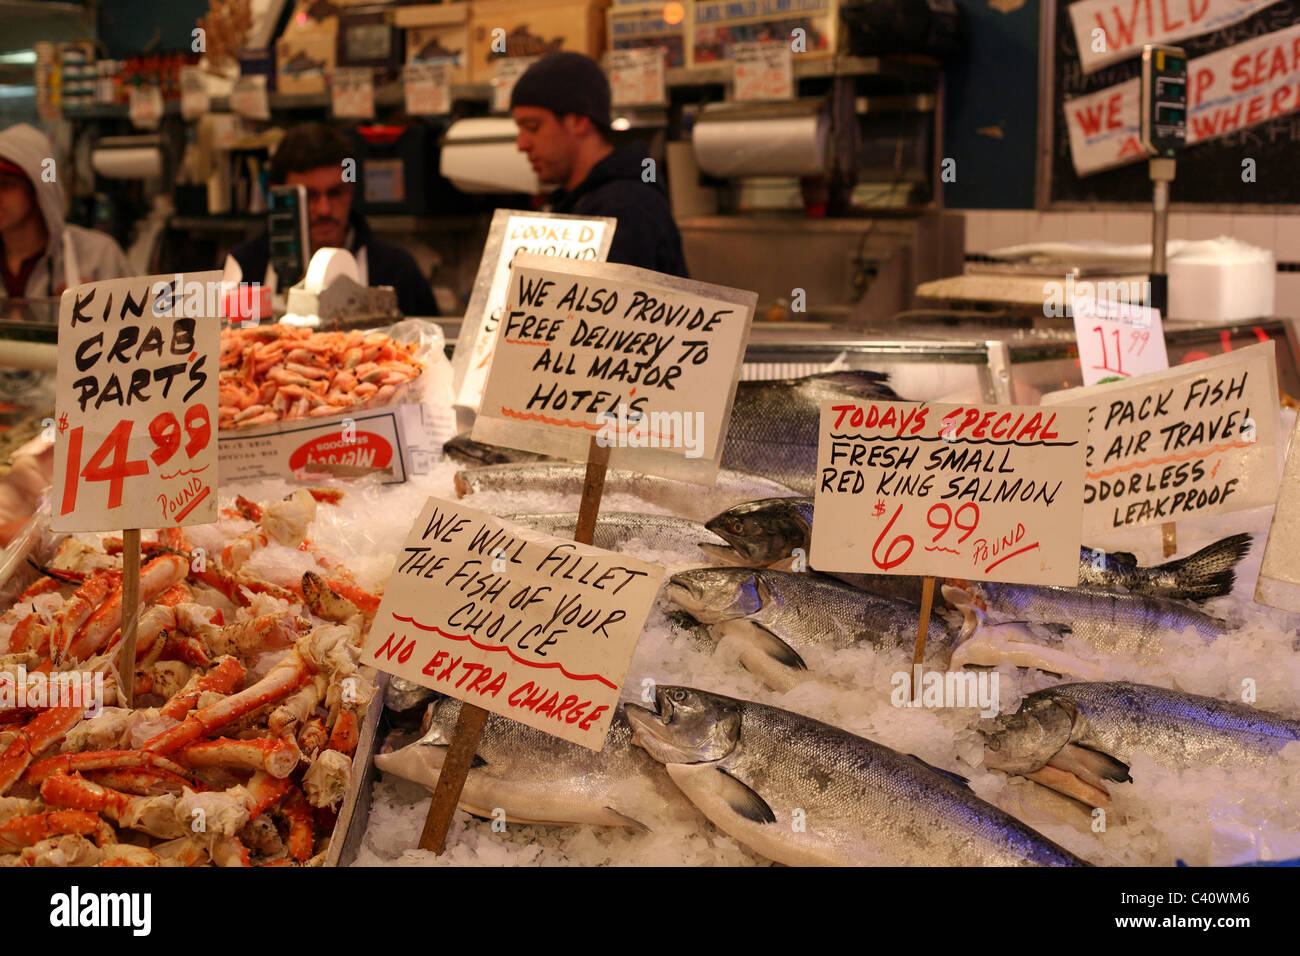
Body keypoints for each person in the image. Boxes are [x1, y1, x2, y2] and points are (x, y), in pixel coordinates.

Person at [223, 122, 439, 316]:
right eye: (308, 196)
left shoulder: (395, 269)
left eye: (336, 193)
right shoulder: (242, 267)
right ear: (277, 195)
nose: (324, 209)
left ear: (351, 189)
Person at [510, 52, 688, 278]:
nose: (521, 144)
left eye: (533, 127)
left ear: (579, 122)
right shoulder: (575, 202)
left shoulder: (626, 208)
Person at [0, 123, 130, 298]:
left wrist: (105, 309)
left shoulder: (98, 255)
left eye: (5, 184)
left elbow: (146, 320)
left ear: (39, 190)